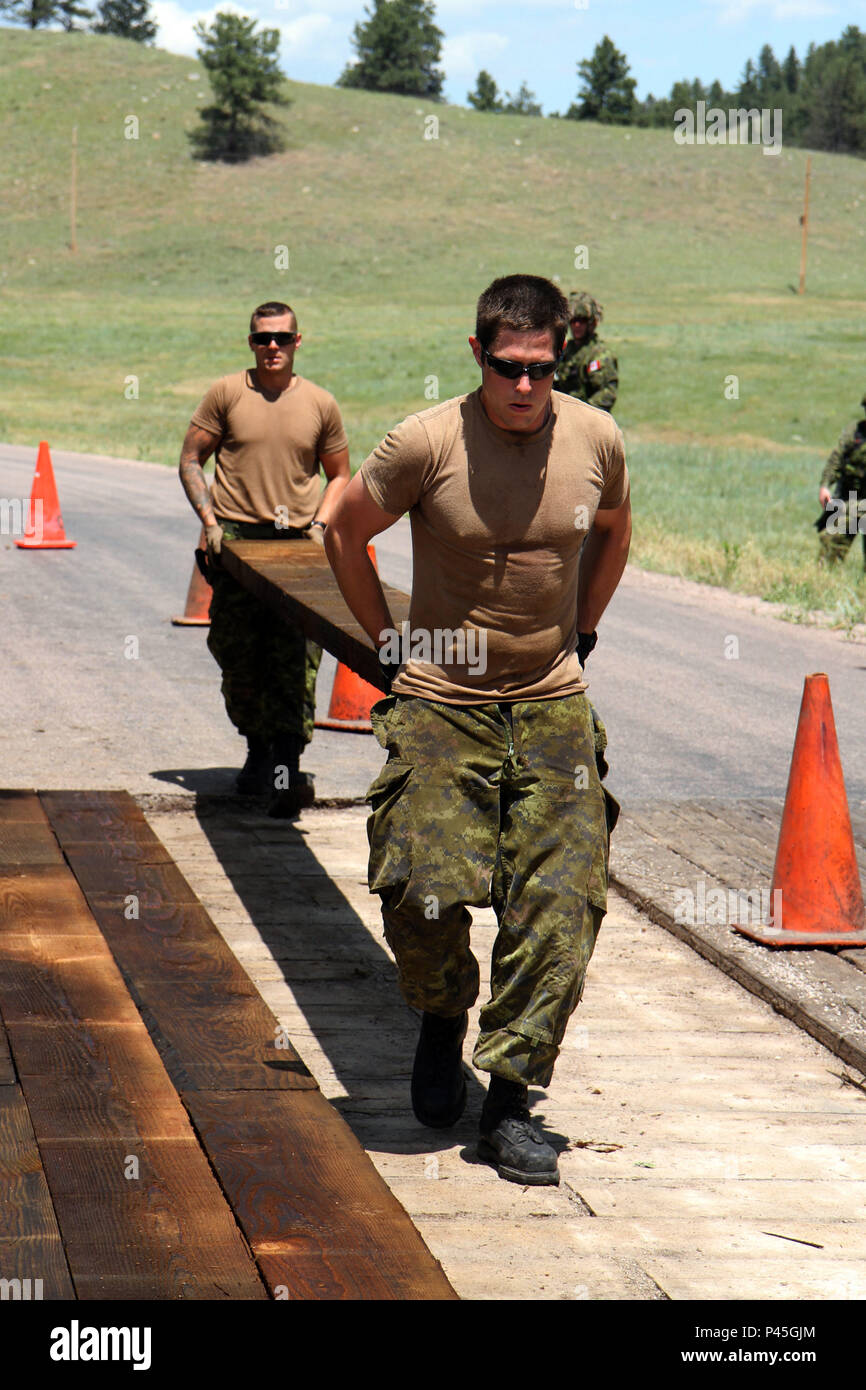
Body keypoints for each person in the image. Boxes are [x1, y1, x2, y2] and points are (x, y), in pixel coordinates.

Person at [325, 275, 631, 1186]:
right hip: (440, 696)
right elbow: (344, 527)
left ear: (561, 358)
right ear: (477, 355)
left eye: (542, 368)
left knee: (562, 903)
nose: (526, 386)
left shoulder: (596, 440)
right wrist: (387, 642)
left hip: (550, 702)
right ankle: (440, 1010)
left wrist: (584, 631)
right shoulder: (426, 441)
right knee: (422, 887)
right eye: (508, 367)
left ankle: (507, 1100)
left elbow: (613, 531)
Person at [178, 301, 350, 816]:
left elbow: (340, 473)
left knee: (295, 660)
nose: (271, 347)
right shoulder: (227, 394)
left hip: (296, 545)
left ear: (299, 341)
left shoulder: (320, 404)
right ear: (250, 343)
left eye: (281, 338)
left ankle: (286, 768)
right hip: (236, 542)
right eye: (261, 339)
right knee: (236, 652)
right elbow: (191, 459)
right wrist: (210, 525)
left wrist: (320, 527)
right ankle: (256, 753)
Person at [817, 391, 866, 569]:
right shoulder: (854, 433)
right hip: (851, 499)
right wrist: (825, 485)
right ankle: (820, 586)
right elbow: (836, 459)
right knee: (831, 545)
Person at [554, 291, 618, 413]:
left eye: (582, 320)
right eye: (573, 320)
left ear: (591, 323)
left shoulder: (600, 355)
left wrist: (582, 414)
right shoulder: (567, 350)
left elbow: (607, 394)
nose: (577, 325)